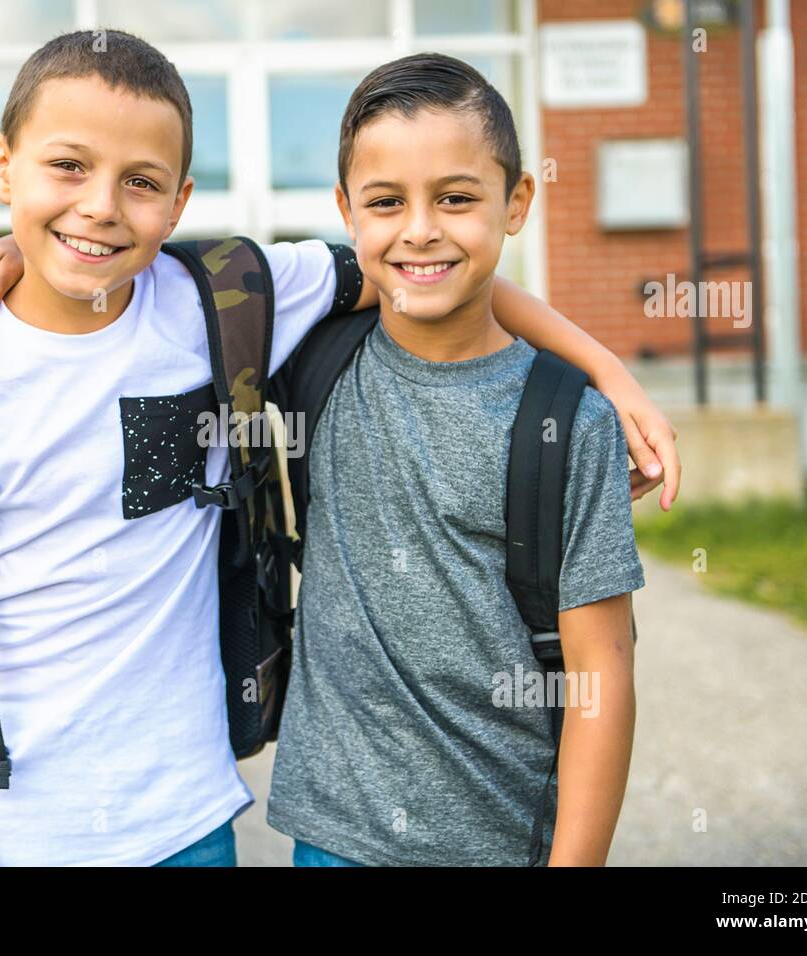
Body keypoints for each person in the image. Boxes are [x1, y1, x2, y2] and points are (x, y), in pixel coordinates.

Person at [0, 30, 675, 866]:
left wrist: (607, 371)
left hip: (187, 819)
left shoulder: (224, 303)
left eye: (139, 183)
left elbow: (432, 273)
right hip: (4, 826)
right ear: (0, 165)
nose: (100, 205)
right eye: (68, 168)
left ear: (178, 203)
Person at [267, 53, 644, 866]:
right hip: (333, 836)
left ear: (516, 204)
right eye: (386, 202)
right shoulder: (313, 355)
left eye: (456, 198)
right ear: (346, 212)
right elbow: (142, 285)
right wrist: (11, 257)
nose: (420, 229)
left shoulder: (570, 420)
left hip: (504, 838)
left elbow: (601, 682)